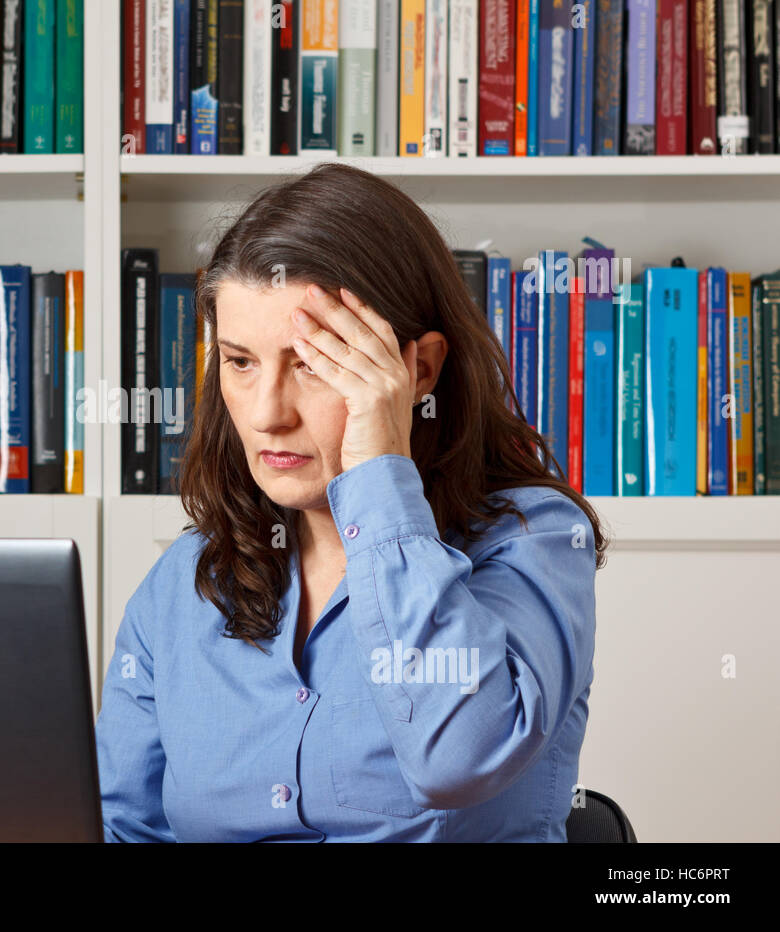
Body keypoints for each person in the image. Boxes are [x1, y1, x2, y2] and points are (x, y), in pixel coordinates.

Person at [96, 162, 606, 842]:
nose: (267, 415)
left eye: (312, 362)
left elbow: (459, 760)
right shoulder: (186, 581)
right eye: (240, 362)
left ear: (416, 370)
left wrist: (377, 475)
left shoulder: (532, 541)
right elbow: (121, 825)